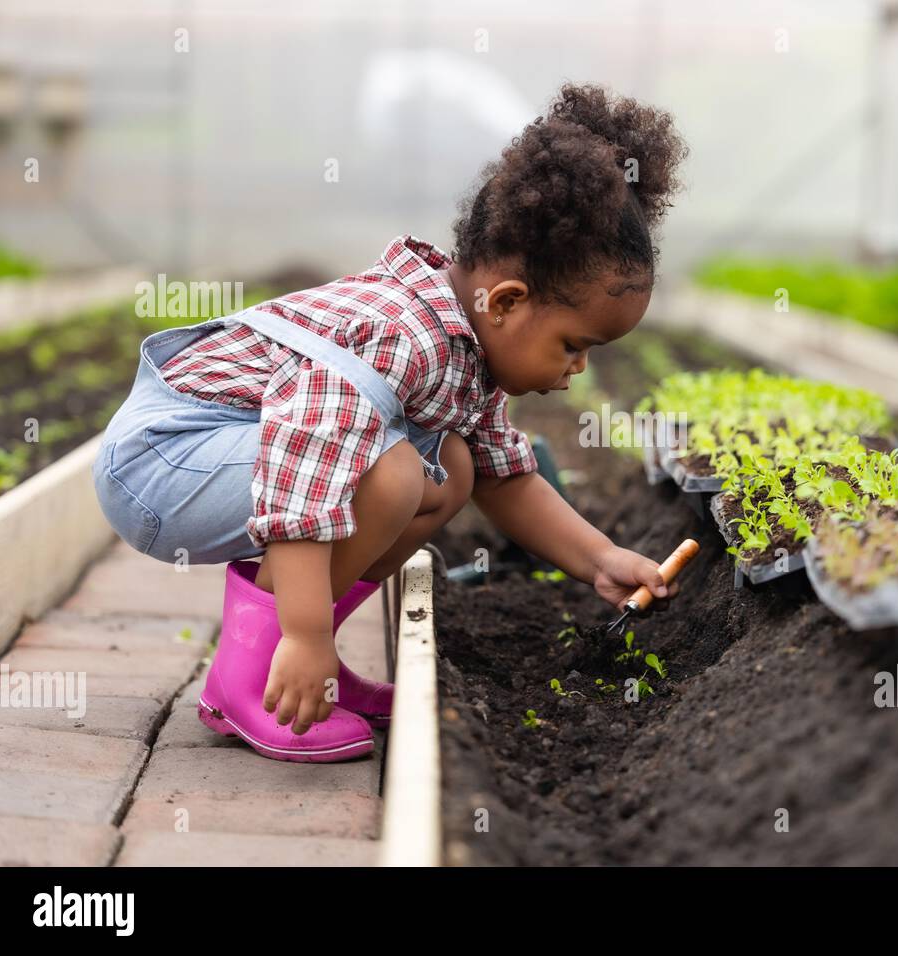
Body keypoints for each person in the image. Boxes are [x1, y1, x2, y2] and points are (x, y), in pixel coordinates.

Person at [92, 82, 689, 762]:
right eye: (573, 344)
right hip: (162, 461)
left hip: (225, 457)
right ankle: (256, 674)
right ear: (510, 302)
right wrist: (306, 632)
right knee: (396, 471)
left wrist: (601, 560)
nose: (577, 368)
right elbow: (303, 476)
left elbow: (506, 480)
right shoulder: (403, 335)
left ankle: (292, 668)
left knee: (455, 467)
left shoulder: (464, 342)